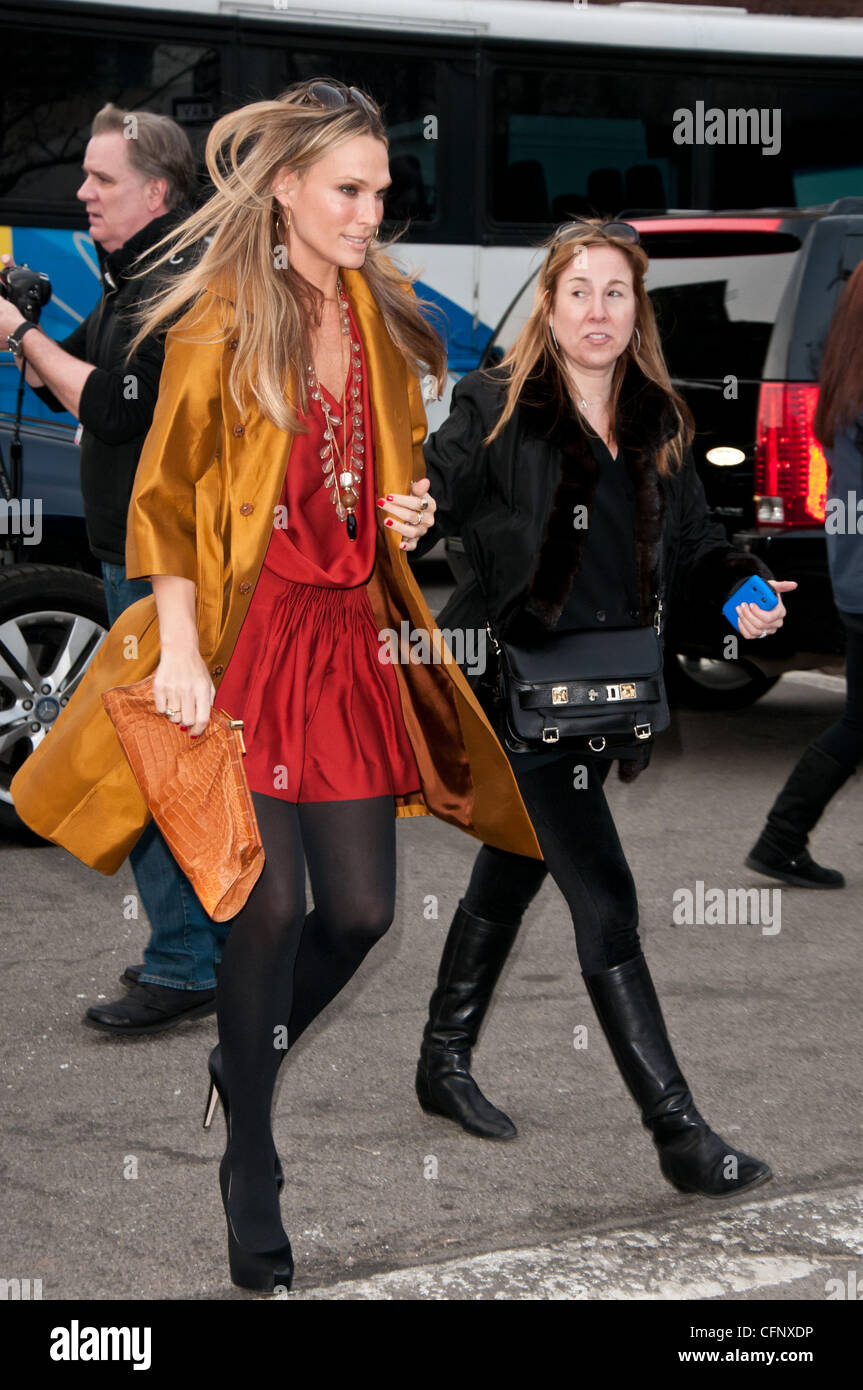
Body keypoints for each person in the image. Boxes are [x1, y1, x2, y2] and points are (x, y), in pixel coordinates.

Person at [10, 80, 545, 1291]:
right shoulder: (217, 315)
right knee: (266, 906)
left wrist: (411, 510)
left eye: (379, 194)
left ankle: (242, 1058)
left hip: (349, 638)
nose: (370, 212)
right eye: (350, 191)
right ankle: (251, 1154)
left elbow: (388, 481)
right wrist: (184, 647)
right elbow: (165, 495)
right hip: (245, 642)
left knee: (356, 913)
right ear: (288, 190)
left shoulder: (381, 310)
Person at [411, 217, 796, 1198]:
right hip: (514, 687)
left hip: (604, 694)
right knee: (605, 898)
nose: (596, 310)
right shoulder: (494, 405)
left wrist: (742, 588)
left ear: (637, 309)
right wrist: (407, 507)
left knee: (517, 860)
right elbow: (429, 496)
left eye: (614, 293)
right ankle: (677, 1133)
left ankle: (440, 1057)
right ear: (548, 304)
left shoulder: (657, 420)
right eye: (577, 291)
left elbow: (700, 549)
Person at [0, 103, 225, 1036]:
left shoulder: (171, 283)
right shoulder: (136, 273)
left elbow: (110, 401)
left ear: (158, 191)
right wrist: (36, 310)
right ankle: (203, 952)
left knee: (154, 757)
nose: (83, 193)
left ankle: (186, 963)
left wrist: (17, 337)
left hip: (155, 561)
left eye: (101, 180)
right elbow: (91, 357)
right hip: (132, 554)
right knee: (164, 754)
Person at [746, 261, 863, 888]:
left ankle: (780, 838)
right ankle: (779, 838)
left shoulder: (844, 388)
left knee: (857, 724)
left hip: (853, 582)